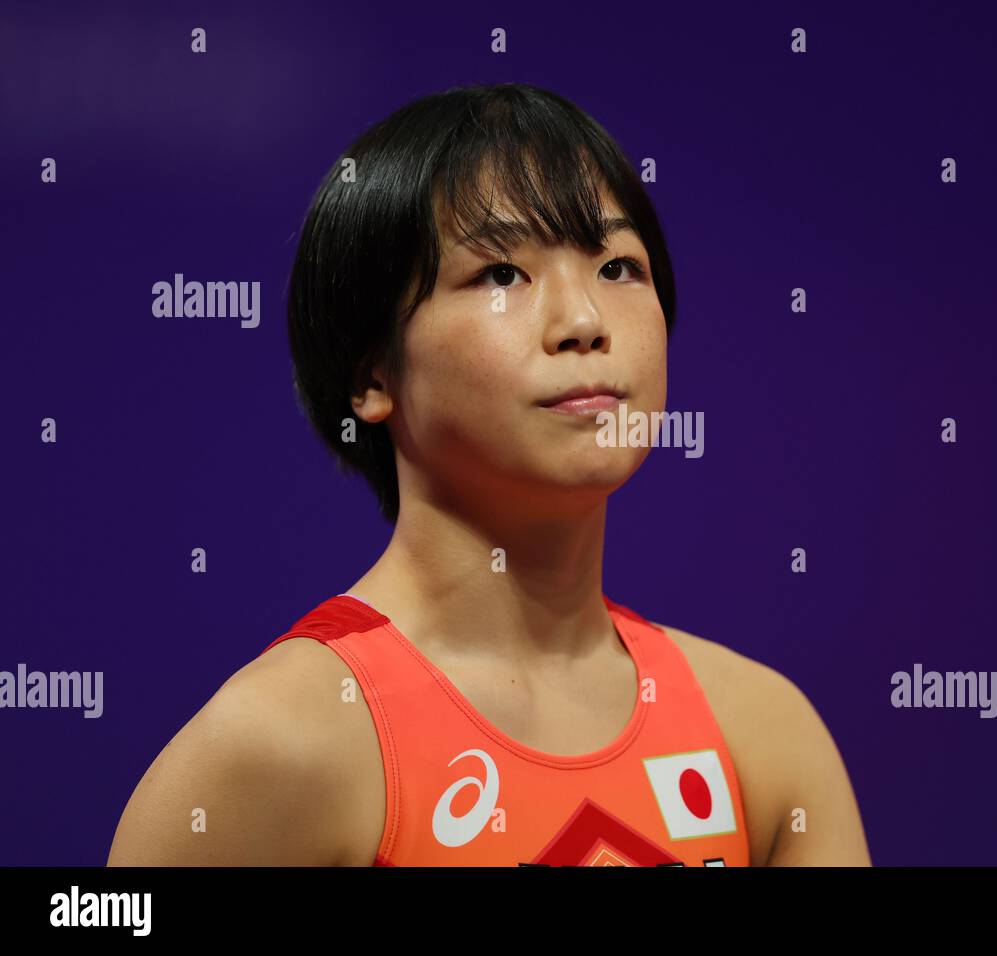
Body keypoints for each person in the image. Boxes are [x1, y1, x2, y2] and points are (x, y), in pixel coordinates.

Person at [108, 82, 871, 867]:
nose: (583, 322)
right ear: (370, 374)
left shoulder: (764, 735)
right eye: (502, 274)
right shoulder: (280, 743)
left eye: (617, 267)